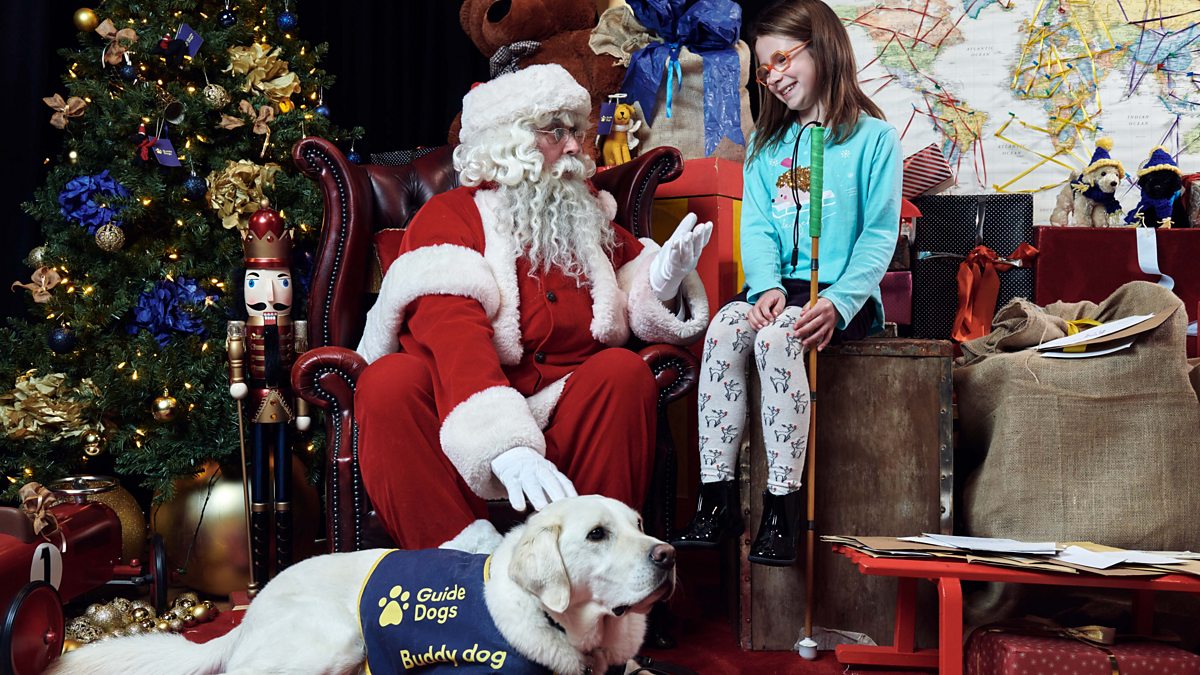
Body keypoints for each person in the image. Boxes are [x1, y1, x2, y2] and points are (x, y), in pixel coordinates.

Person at [354, 64, 713, 550]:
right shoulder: (449, 216)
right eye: (556, 132)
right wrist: (504, 445)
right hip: (461, 415)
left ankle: (594, 565)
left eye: (576, 133)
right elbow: (450, 333)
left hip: (564, 410)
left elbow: (636, 291)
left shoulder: (588, 213)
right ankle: (456, 571)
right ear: (511, 140)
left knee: (622, 374)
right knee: (387, 384)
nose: (574, 147)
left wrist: (664, 281)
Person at [672, 0, 901, 566]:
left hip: (840, 296)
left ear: (822, 47)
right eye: (764, 71)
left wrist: (841, 302)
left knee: (778, 340)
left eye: (782, 60)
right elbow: (757, 229)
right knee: (725, 329)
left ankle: (783, 508)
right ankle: (717, 497)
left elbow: (878, 237)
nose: (773, 77)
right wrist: (765, 286)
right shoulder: (765, 148)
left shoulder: (873, 140)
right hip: (784, 290)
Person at [227, 202, 311, 588]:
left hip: (283, 400)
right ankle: (260, 577)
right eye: (258, 281)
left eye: (282, 279)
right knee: (258, 481)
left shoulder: (295, 329)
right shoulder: (242, 326)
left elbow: (302, 368)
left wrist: (303, 406)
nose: (272, 291)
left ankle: (285, 575)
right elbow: (236, 354)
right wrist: (238, 378)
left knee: (283, 492)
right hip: (258, 399)